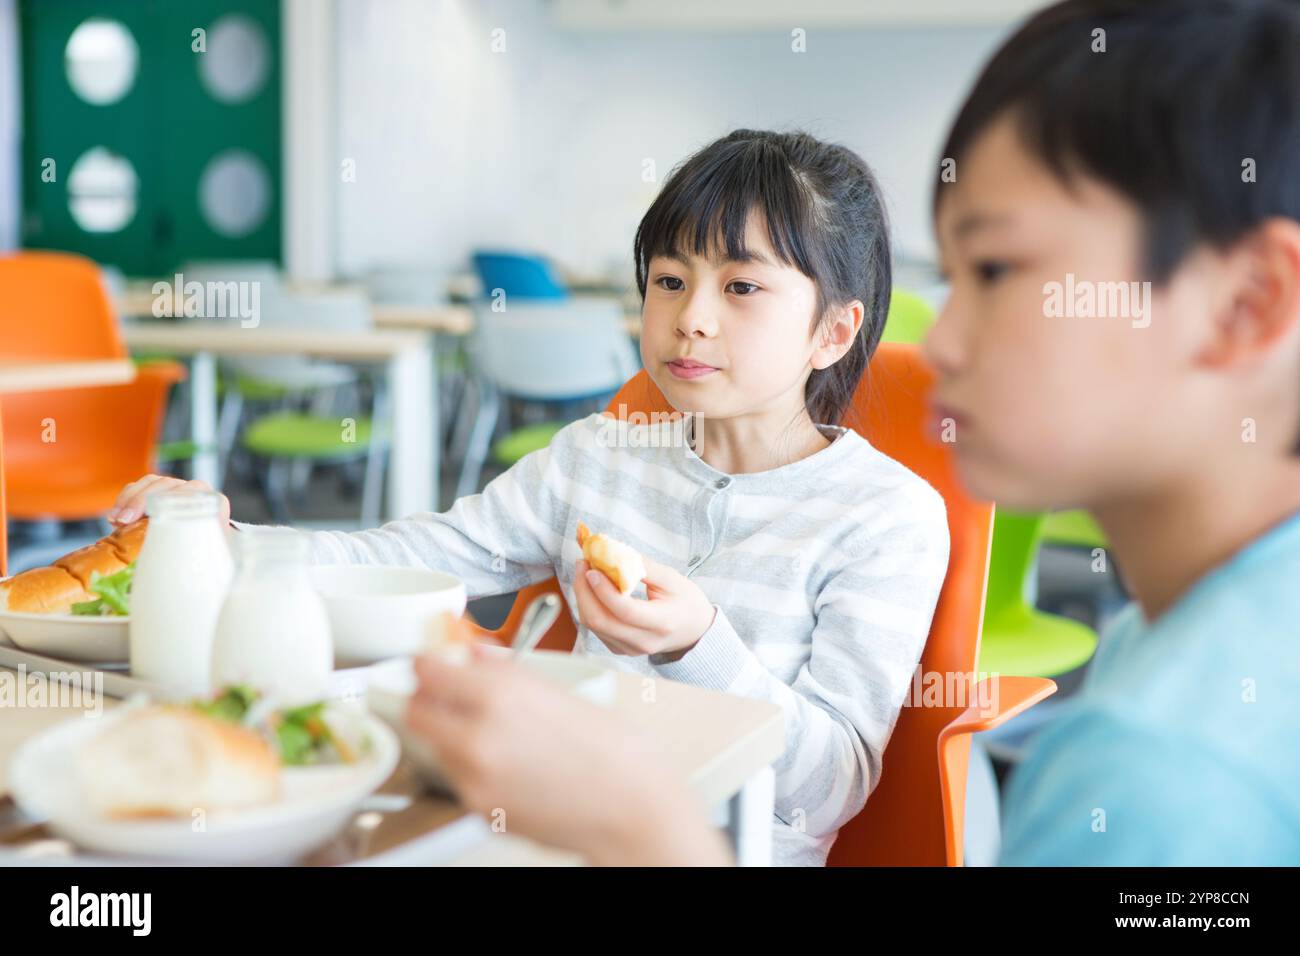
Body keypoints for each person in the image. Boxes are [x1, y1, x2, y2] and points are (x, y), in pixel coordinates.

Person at [109, 129, 950, 866]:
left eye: (741, 288)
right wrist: (227, 542)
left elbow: (830, 788)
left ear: (832, 332)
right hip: (536, 830)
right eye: (669, 280)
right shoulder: (599, 455)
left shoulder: (885, 516)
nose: (691, 317)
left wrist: (699, 643)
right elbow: (414, 557)